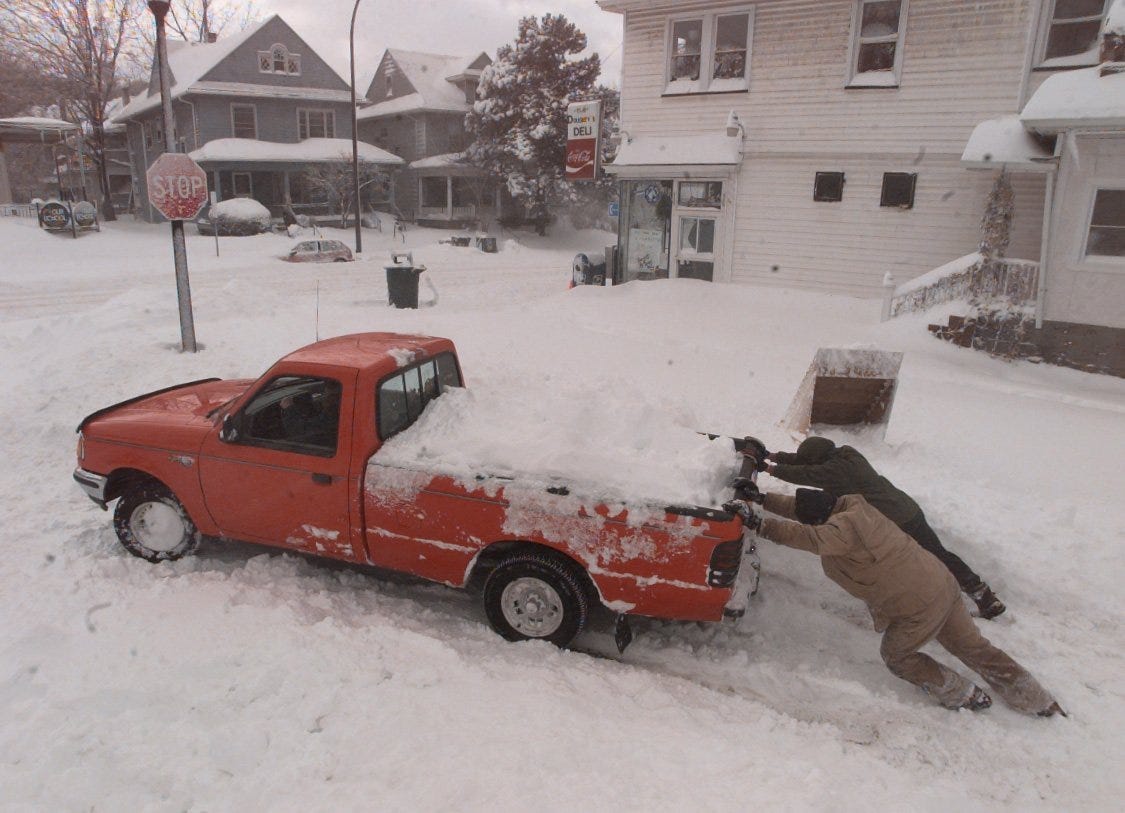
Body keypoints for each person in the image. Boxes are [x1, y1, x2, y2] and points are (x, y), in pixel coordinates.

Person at [727, 487, 1063, 715]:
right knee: (974, 647)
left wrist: (760, 523)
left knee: (897, 655)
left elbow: (809, 536)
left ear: (824, 518)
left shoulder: (839, 533)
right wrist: (763, 498)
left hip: (919, 606)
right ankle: (1037, 700)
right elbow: (806, 510)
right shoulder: (852, 507)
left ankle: (961, 693)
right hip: (941, 583)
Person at [747, 436, 1005, 620]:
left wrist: (770, 468)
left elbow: (806, 474)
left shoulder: (835, 472)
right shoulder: (846, 453)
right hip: (906, 508)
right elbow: (806, 463)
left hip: (896, 519)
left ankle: (956, 599)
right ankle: (980, 593)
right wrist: (772, 456)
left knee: (925, 560)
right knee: (939, 554)